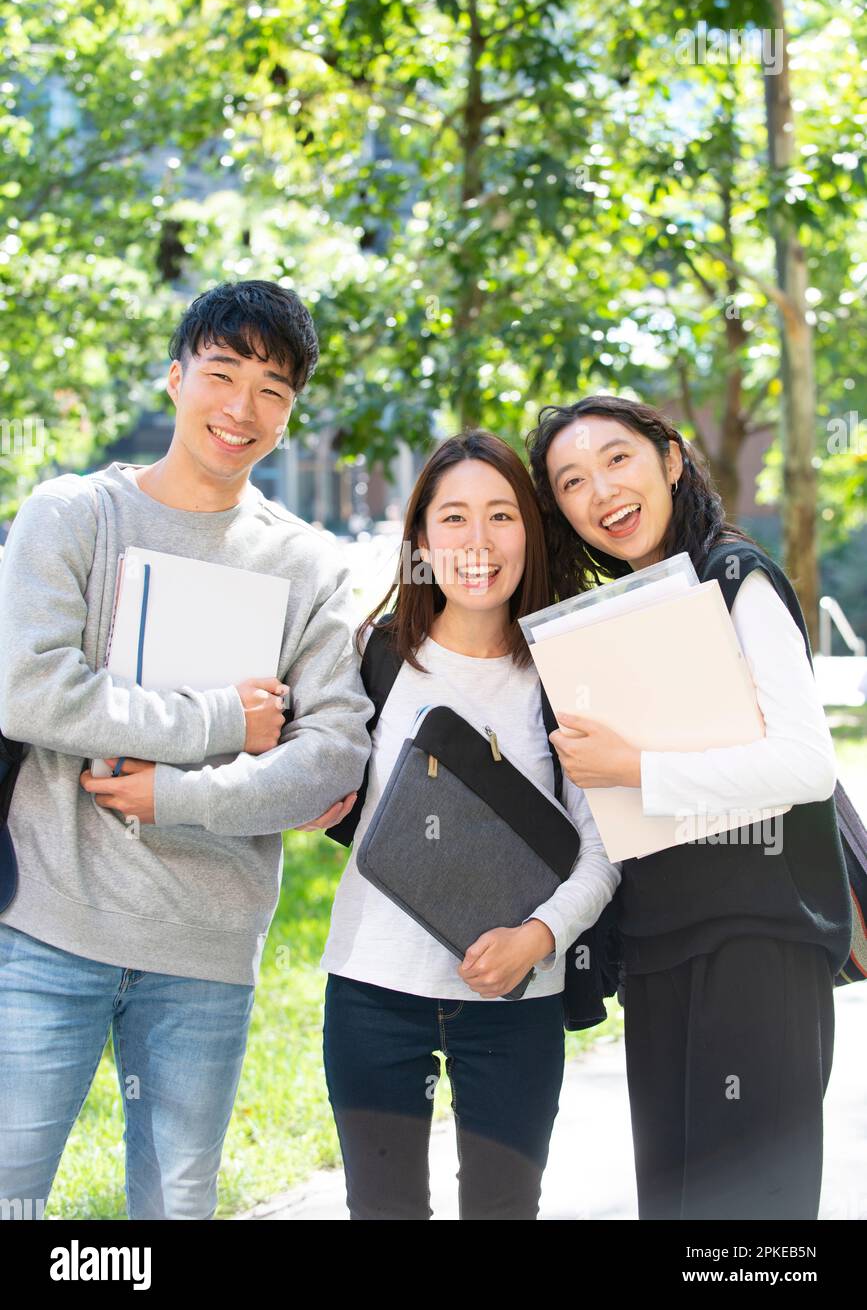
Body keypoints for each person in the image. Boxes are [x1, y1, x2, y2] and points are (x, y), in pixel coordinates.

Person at [0, 279, 372, 1220]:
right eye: (222, 373)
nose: (241, 408)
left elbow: (331, 755)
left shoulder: (310, 567)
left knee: (175, 1207)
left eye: (273, 391)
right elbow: (27, 689)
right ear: (175, 379)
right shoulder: (73, 515)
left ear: (290, 415)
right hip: (47, 926)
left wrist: (177, 796)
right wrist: (216, 722)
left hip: (205, 946)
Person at [526, 395, 851, 1221]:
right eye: (570, 481)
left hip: (758, 941)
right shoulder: (624, 618)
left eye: (616, 460)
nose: (599, 490)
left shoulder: (734, 576)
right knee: (676, 1207)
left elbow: (804, 764)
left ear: (669, 459)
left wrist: (636, 768)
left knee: (749, 1224)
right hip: (662, 945)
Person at [311, 430, 620, 1221]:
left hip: (516, 1005)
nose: (477, 542)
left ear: (531, 532)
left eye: (501, 516)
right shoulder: (369, 658)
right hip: (373, 991)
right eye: (453, 518)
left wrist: (537, 938)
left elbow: (602, 849)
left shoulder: (566, 673)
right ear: (419, 539)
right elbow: (316, 779)